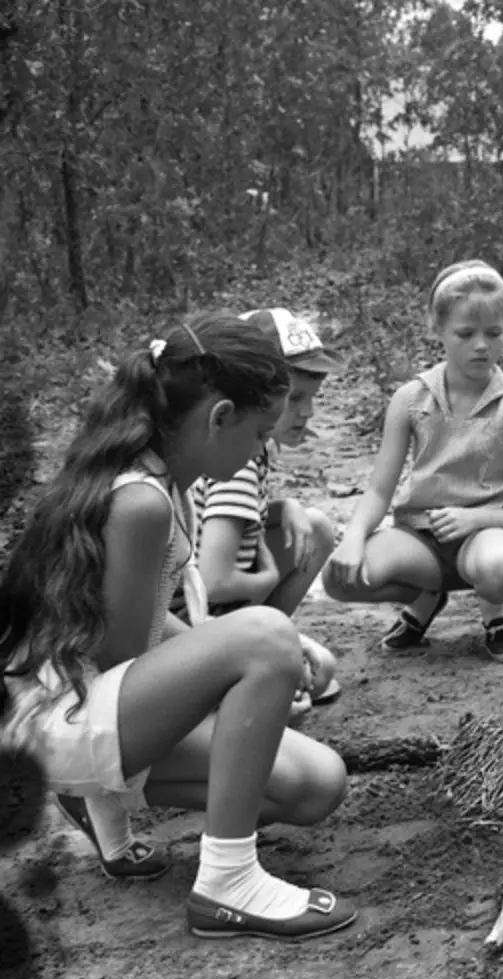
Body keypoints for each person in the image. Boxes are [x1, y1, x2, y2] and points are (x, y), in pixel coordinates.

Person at [0, 315, 355, 940]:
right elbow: (121, 657)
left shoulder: (166, 479)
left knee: (315, 785)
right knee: (261, 633)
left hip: (89, 703)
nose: (260, 451)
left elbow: (135, 624)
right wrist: (247, 657)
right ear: (219, 417)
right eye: (259, 433)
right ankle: (228, 882)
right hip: (54, 719)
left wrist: (270, 652)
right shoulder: (140, 501)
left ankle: (95, 801)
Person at [323, 260, 503, 662]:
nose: (481, 345)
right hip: (419, 540)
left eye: (493, 334)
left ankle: (496, 609)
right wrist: (353, 538)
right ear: (438, 329)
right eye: (465, 333)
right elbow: (379, 489)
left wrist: (477, 519)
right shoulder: (411, 398)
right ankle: (428, 595)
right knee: (341, 580)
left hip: (487, 536)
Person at [188, 308, 346, 714]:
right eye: (294, 399)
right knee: (320, 672)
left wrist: (283, 505)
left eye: (312, 398)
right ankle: (255, 666)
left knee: (316, 527)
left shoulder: (245, 451)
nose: (307, 413)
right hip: (203, 623)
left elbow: (224, 521)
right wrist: (268, 579)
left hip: (211, 617)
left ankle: (264, 654)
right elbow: (214, 580)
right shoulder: (237, 463)